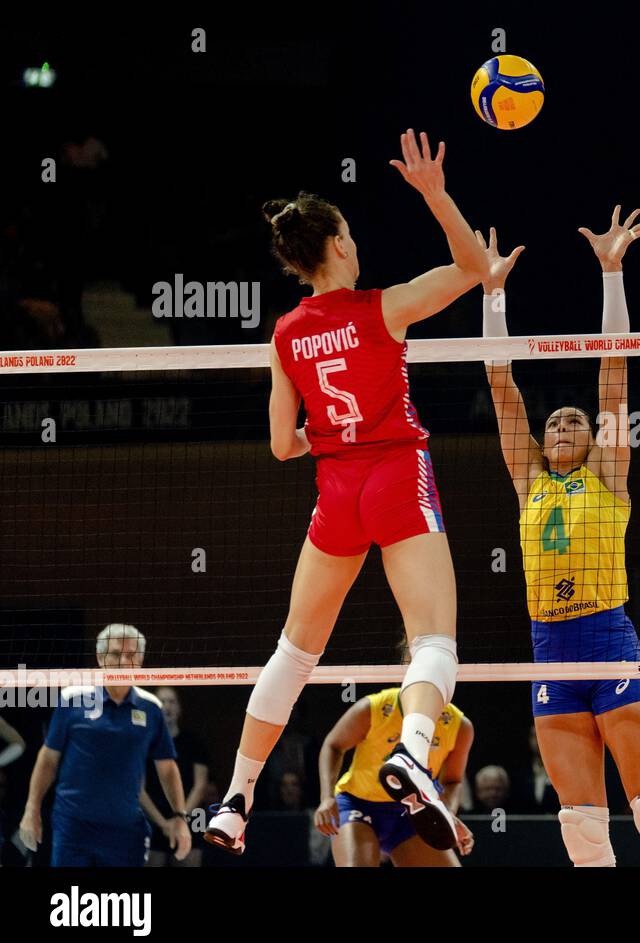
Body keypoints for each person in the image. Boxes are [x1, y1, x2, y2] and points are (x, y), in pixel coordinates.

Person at [206, 131, 489, 856]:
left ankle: (236, 802)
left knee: (294, 654)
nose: (356, 242)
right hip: (395, 473)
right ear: (334, 243)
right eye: (351, 233)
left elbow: (278, 443)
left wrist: (329, 436)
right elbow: (474, 266)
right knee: (433, 640)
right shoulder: (381, 308)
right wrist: (433, 193)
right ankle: (412, 755)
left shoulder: (286, 333)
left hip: (336, 488)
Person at [481, 209, 640, 867]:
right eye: (556, 424)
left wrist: (611, 273)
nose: (566, 425)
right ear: (544, 444)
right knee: (581, 823)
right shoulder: (530, 482)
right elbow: (501, 385)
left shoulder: (607, 476)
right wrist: (494, 292)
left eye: (576, 421)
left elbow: (614, 375)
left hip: (608, 639)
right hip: (550, 648)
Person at [19, 624, 192, 866]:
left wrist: (180, 817)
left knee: (122, 905)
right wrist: (32, 808)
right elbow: (48, 759)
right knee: (72, 902)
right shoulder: (73, 698)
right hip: (73, 826)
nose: (123, 661)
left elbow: (167, 767)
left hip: (125, 829)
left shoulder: (151, 707)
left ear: (140, 660)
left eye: (131, 655)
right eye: (114, 653)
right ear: (100, 658)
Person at [315, 681, 474, 867]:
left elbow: (453, 781)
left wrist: (445, 816)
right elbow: (333, 745)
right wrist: (326, 797)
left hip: (413, 811)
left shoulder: (459, 726)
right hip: (357, 803)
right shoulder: (374, 707)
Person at [142, 687, 209, 867]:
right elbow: (138, 789)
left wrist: (181, 818)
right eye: (162, 702)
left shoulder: (193, 742)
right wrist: (163, 823)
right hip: (154, 818)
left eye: (172, 701)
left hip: (191, 816)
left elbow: (200, 785)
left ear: (179, 707)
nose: (167, 706)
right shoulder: (143, 742)